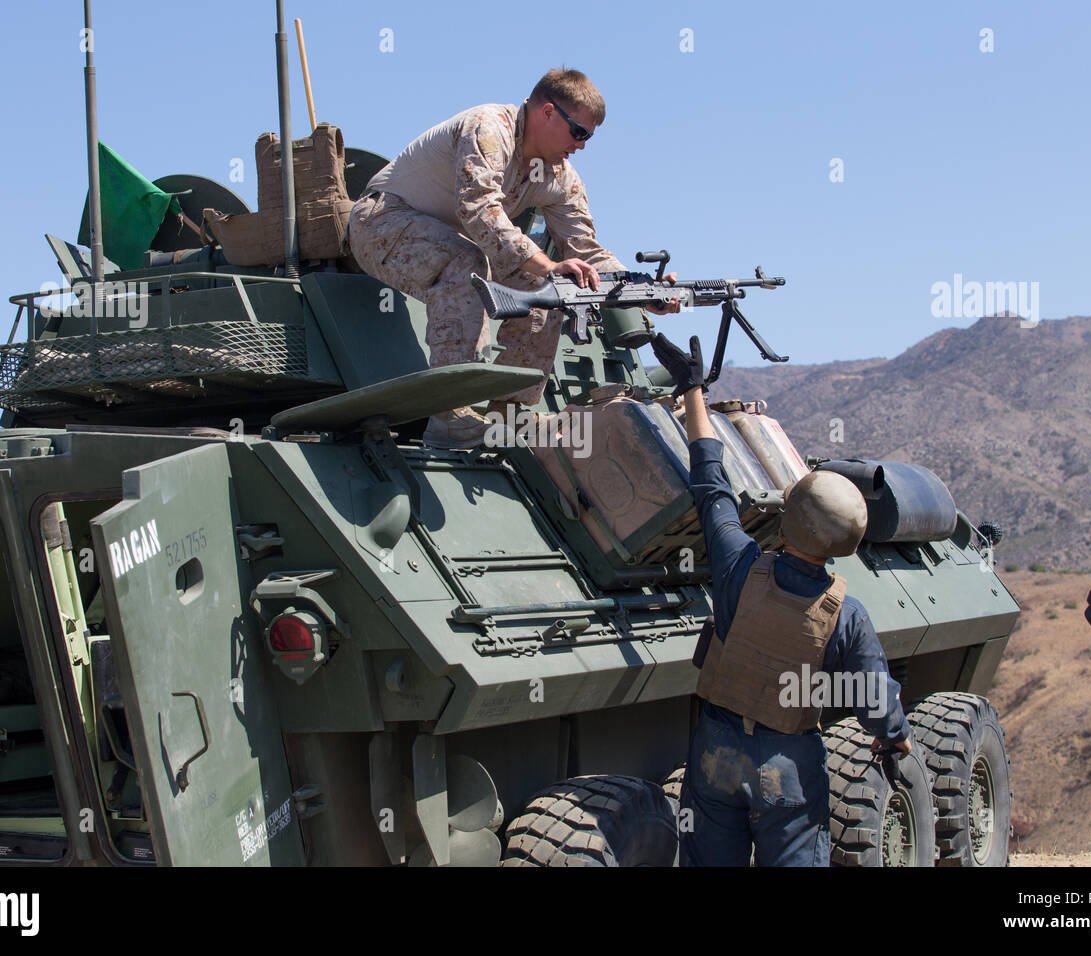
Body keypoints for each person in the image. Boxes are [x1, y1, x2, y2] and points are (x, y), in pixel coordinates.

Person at [649, 333, 913, 867]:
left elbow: (711, 482)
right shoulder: (846, 615)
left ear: (786, 516)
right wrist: (894, 740)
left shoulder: (737, 565)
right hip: (786, 768)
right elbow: (874, 698)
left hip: (715, 757)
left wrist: (693, 390)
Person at [347, 68, 678, 449]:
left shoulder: (560, 177)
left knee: (552, 287)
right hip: (383, 222)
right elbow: (478, 210)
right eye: (579, 133)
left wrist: (640, 290)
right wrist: (548, 263)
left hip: (451, 239)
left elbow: (584, 251)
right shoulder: (490, 128)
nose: (582, 145)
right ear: (548, 113)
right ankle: (450, 414)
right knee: (468, 263)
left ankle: (509, 413)